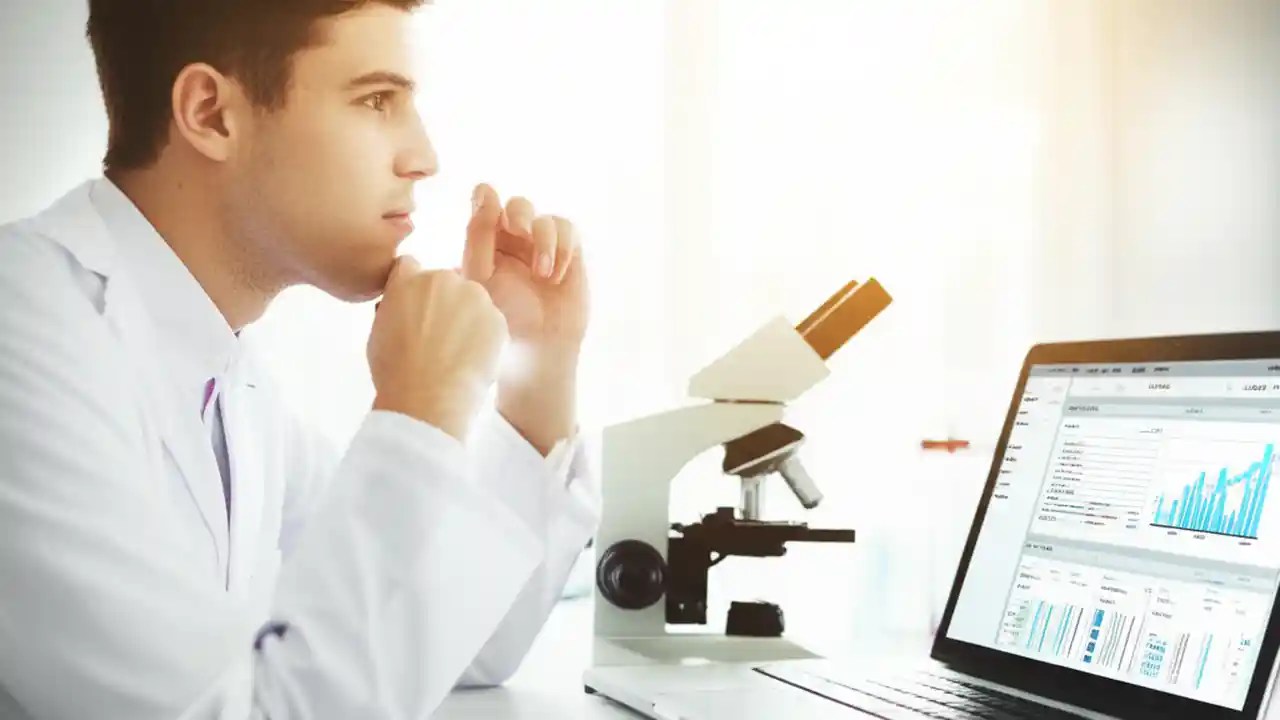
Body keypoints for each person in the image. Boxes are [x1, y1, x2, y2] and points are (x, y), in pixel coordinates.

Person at [0, 0, 599, 717]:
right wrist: (420, 405)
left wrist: (537, 365)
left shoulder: (232, 385)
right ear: (211, 114)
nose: (424, 157)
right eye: (376, 100)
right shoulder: (22, 330)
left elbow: (464, 641)